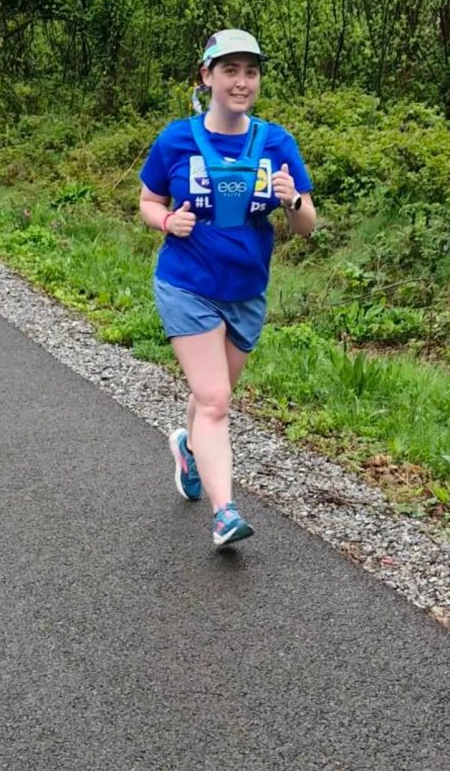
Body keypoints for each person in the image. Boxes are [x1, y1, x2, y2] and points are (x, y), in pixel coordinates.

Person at [139, 29, 316, 547]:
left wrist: (292, 202)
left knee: (212, 396)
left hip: (246, 291)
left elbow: (307, 227)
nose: (241, 82)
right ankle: (225, 514)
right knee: (215, 399)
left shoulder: (277, 143)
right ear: (207, 77)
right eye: (230, 71)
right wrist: (167, 222)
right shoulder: (177, 138)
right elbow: (148, 201)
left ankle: (190, 449)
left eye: (251, 72)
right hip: (187, 283)